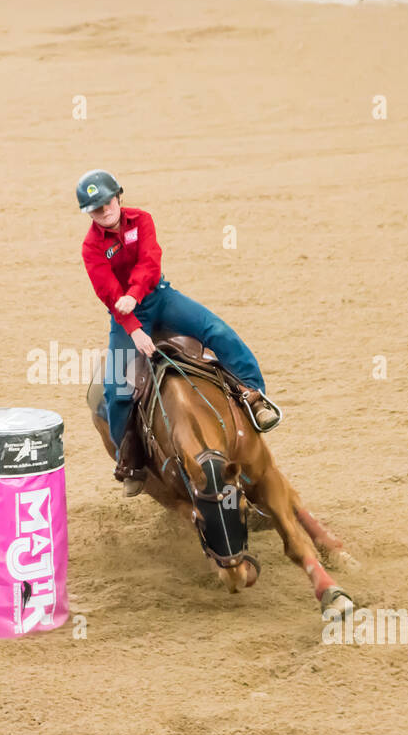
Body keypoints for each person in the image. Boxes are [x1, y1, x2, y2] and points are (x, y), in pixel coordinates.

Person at [77, 168, 279, 496]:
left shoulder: (142, 220)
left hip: (160, 297)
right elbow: (107, 292)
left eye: (107, 202)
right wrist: (134, 329)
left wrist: (135, 294)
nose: (104, 211)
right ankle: (129, 459)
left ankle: (253, 395)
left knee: (218, 331)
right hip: (125, 315)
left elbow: (150, 261)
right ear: (90, 213)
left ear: (118, 197)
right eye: (96, 209)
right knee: (116, 388)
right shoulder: (90, 247)